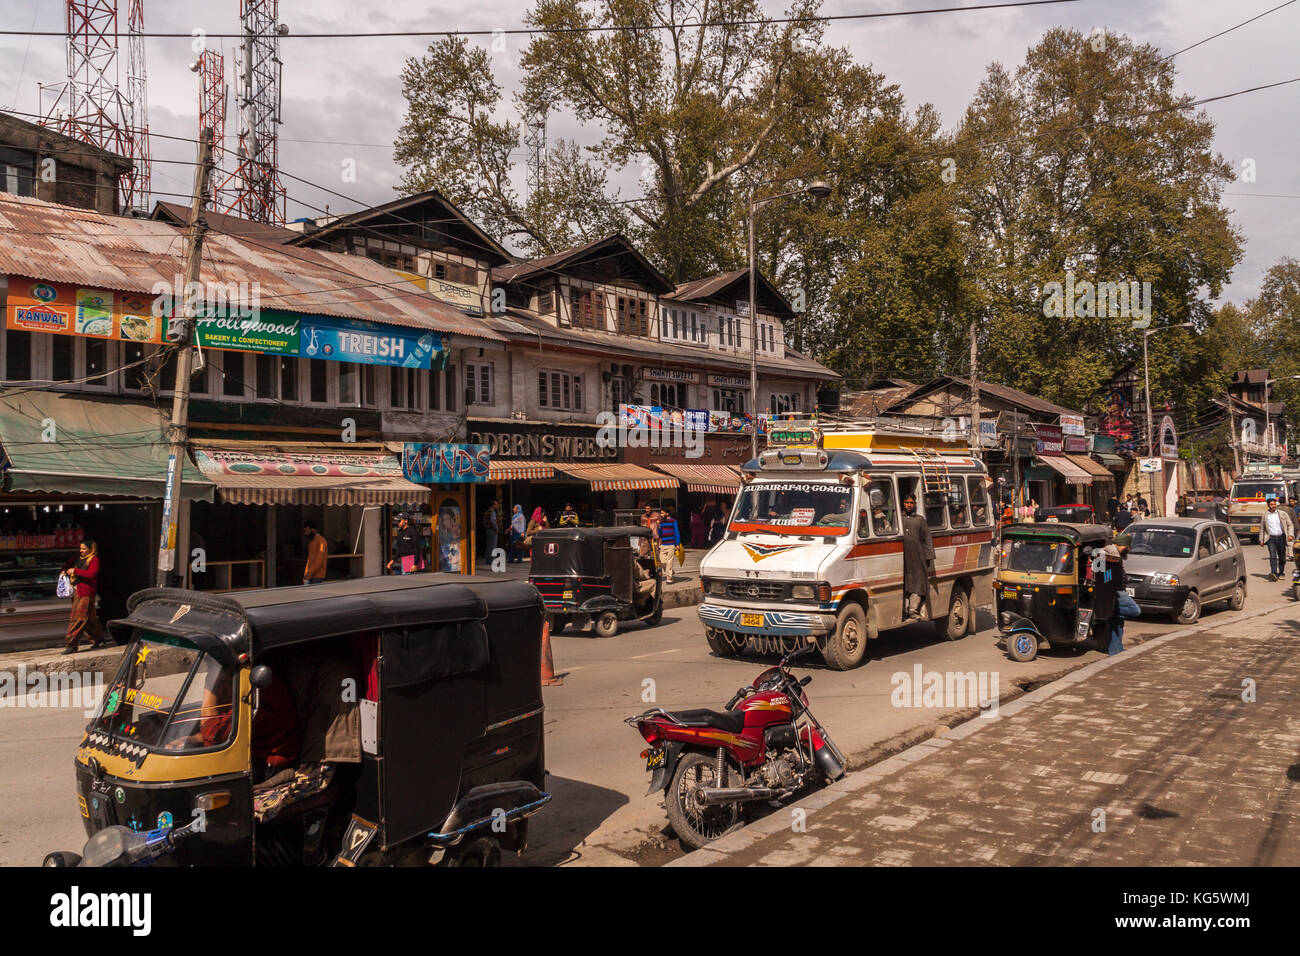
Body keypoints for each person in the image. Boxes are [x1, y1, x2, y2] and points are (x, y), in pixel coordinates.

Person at [61, 539, 108, 654]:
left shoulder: (94, 559)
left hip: (86, 592)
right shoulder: (78, 557)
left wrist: (75, 571)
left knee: (78, 619)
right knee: (89, 618)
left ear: (91, 549)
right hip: (77, 592)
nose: (81, 550)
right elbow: (67, 565)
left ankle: (71, 645)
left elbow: (92, 574)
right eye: (80, 548)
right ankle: (99, 638)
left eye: (84, 548)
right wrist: (64, 570)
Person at [900, 493, 934, 621]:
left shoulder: (920, 520)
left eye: (911, 503)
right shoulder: (899, 519)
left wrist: (928, 556)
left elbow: (927, 538)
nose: (909, 505)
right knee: (906, 584)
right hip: (904, 558)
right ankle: (906, 609)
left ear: (914, 504)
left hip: (918, 558)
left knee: (919, 583)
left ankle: (913, 609)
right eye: (906, 502)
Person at [1259, 494, 1296, 582]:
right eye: (1271, 504)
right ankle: (1274, 573)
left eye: (1274, 504)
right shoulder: (1265, 516)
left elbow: (1290, 525)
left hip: (1281, 538)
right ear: (1268, 505)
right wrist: (1261, 540)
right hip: (1271, 538)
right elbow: (1262, 529)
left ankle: (1281, 572)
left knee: (1282, 557)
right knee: (1272, 556)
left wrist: (1290, 534)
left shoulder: (1283, 514)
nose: (1273, 506)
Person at [656, 507, 680, 583]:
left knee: (669, 562)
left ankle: (669, 578)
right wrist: (659, 526)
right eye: (661, 513)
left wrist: (677, 544)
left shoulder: (673, 521)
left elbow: (676, 532)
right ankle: (670, 571)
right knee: (662, 562)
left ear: (667, 513)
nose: (661, 514)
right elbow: (660, 534)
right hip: (663, 544)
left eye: (662, 513)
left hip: (671, 544)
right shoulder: (661, 522)